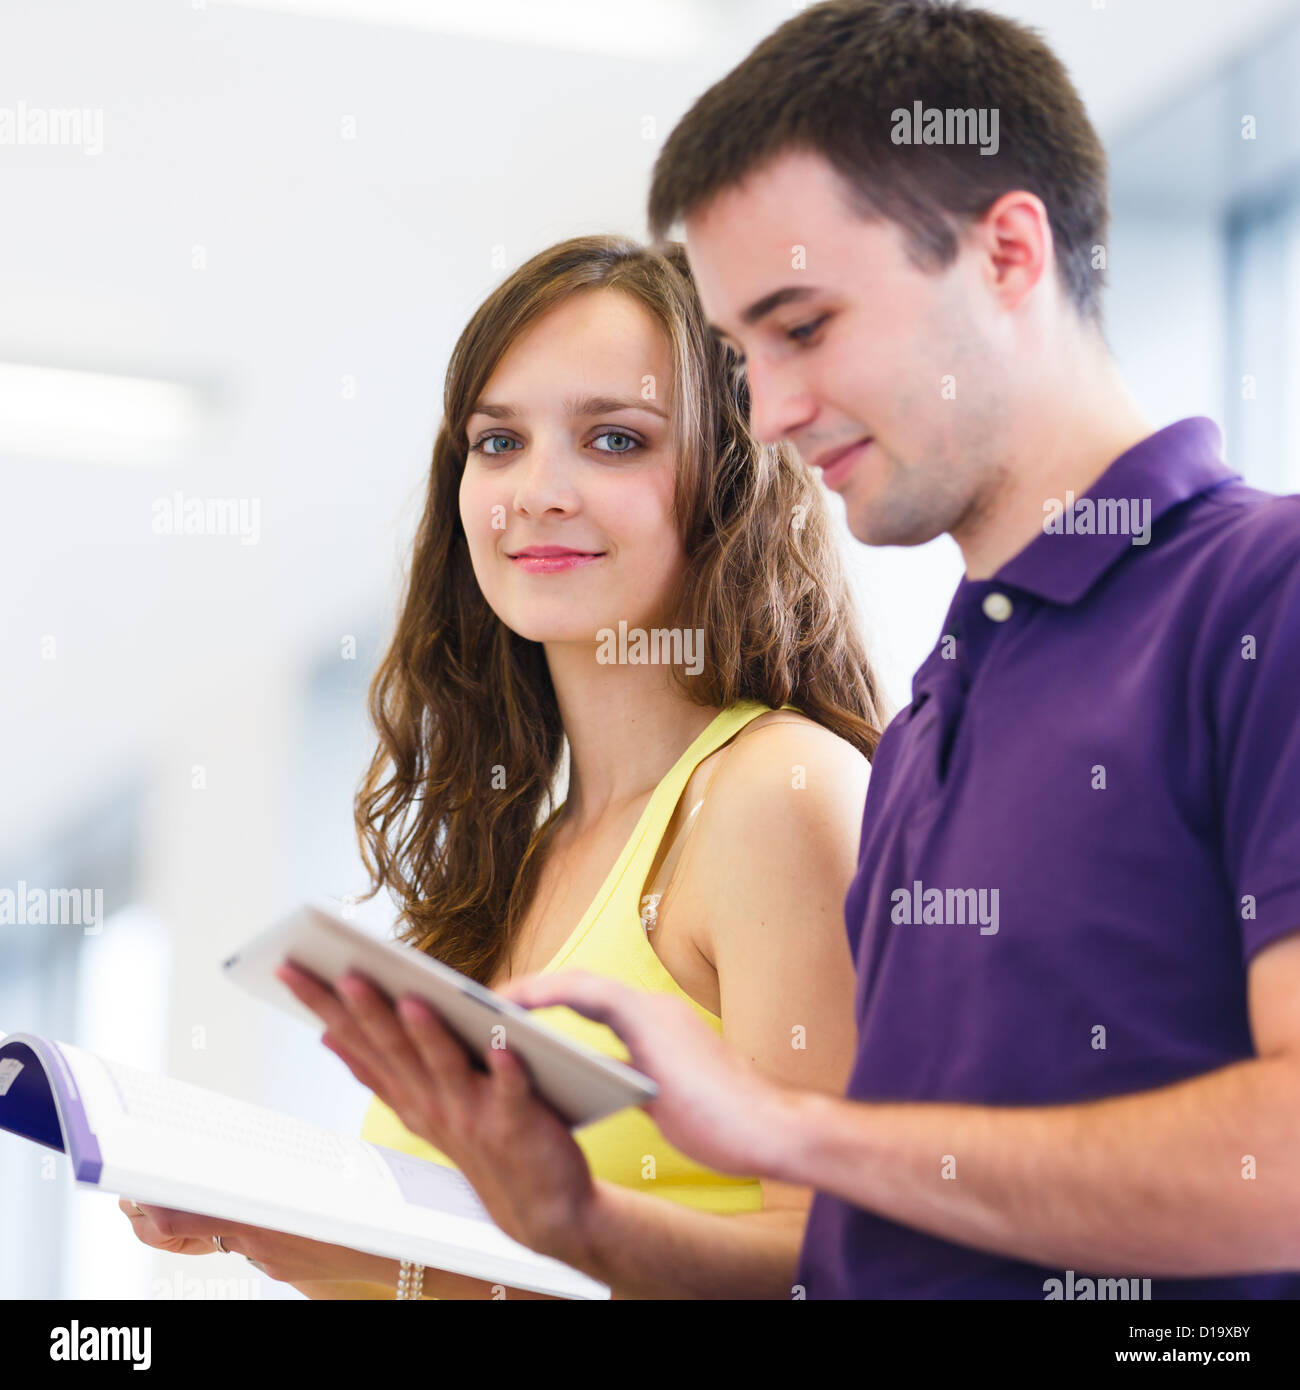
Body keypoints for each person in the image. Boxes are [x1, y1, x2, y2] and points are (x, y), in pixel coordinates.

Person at [288, 0, 1300, 1300]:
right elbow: (858, 1263)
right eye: (748, 351)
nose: (767, 412)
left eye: (804, 327)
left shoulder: (1261, 594)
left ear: (1006, 253)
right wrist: (568, 1226)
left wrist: (787, 1130)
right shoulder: (943, 716)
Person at [126, 233, 885, 1298]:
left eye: (614, 440)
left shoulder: (777, 795)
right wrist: (290, 1233)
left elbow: (849, 1272)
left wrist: (382, 1269)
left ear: (731, 477)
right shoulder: (528, 857)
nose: (536, 491)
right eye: (498, 442)